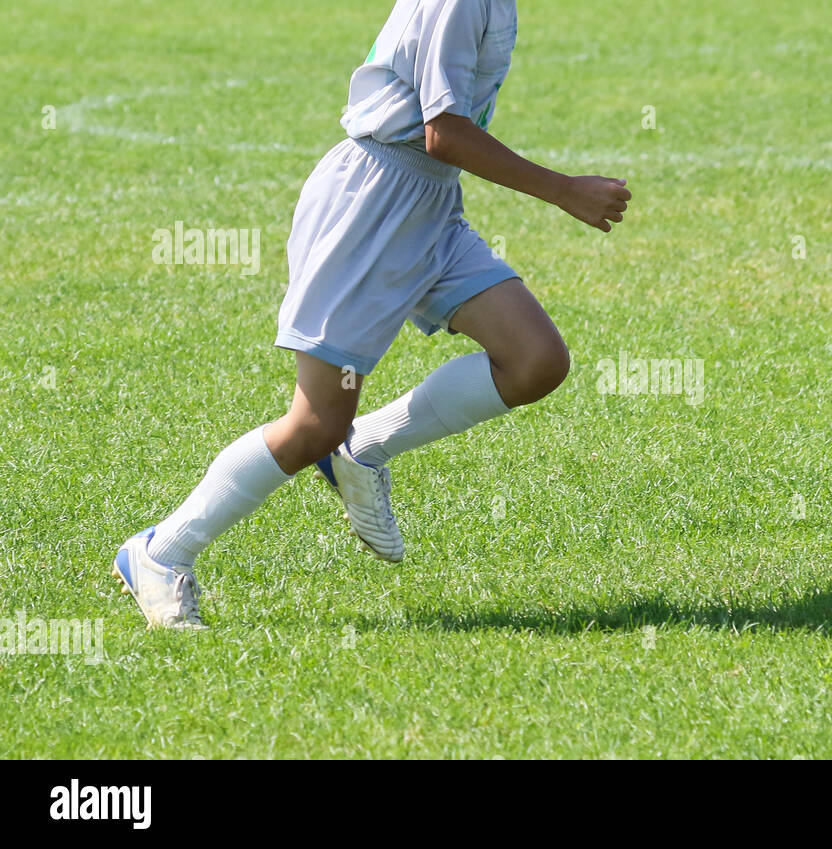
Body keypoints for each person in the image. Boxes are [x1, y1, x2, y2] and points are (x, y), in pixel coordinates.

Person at [113, 0, 631, 628]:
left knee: (535, 361)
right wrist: (563, 189)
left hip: (430, 205)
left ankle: (362, 451)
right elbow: (443, 129)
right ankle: (161, 553)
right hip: (371, 203)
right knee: (314, 423)